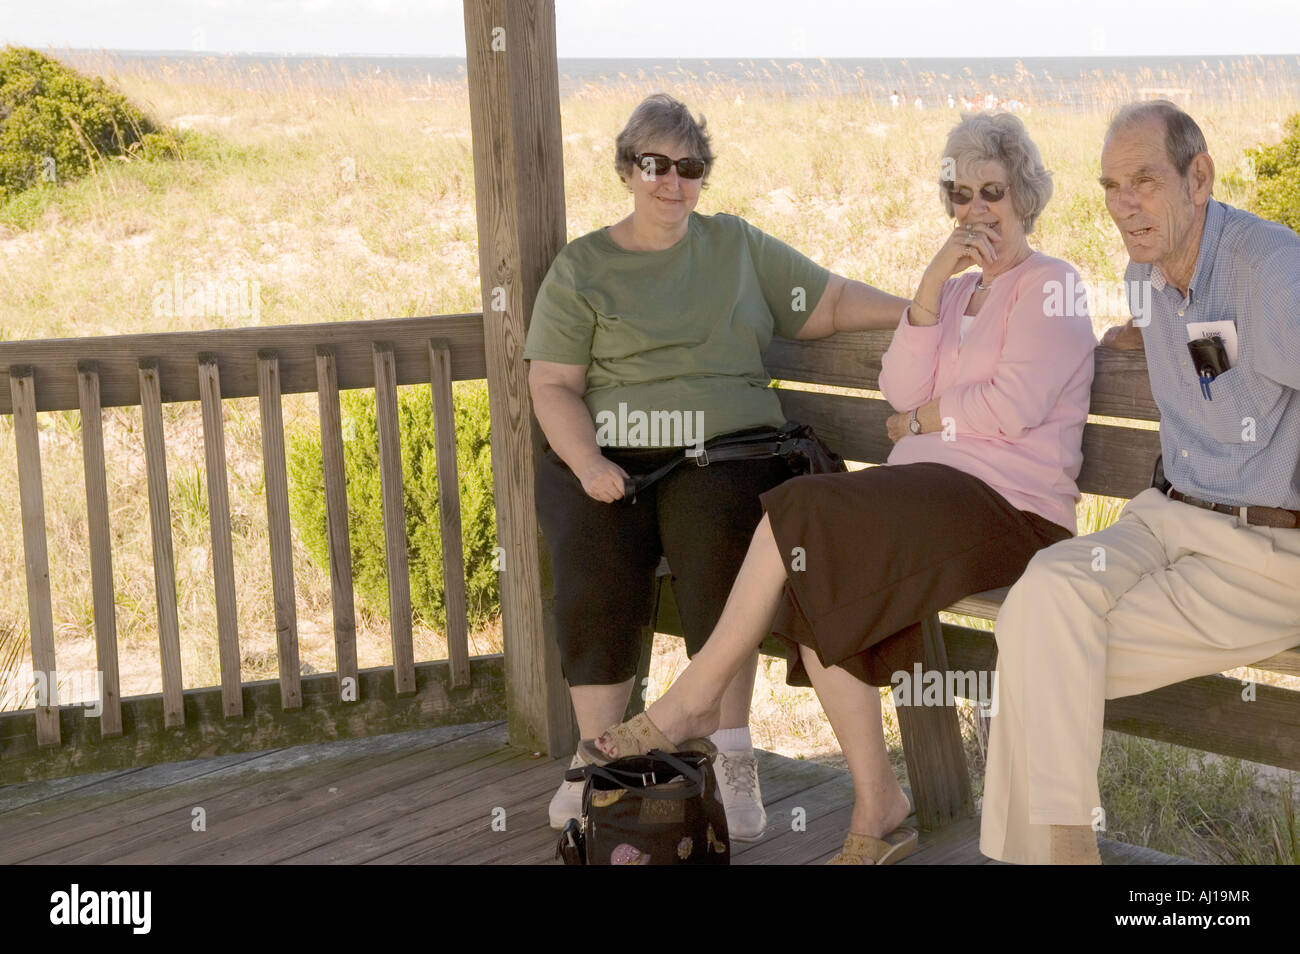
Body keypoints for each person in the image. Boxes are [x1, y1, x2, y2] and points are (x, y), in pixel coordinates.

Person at [583, 112, 1098, 864]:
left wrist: (922, 418)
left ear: (1026, 194)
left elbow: (1010, 408)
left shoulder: (1051, 285)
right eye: (960, 196)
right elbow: (896, 383)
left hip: (1010, 515)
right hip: (931, 498)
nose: (976, 211)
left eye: (993, 191)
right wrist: (928, 288)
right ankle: (877, 801)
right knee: (808, 564)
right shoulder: (956, 297)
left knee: (802, 520)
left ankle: (695, 698)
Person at [525, 93, 909, 840]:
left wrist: (924, 305)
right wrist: (587, 460)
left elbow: (826, 303)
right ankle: (599, 761)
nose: (673, 181)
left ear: (704, 176)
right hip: (614, 452)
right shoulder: (583, 267)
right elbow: (553, 385)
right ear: (628, 169)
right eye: (655, 164)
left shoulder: (734, 245)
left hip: (725, 448)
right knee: (592, 557)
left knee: (719, 541)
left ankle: (729, 755)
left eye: (689, 167)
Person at [979, 100, 1300, 866]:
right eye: (1112, 186)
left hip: (1262, 551)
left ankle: (1058, 855)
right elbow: (1209, 356)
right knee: (1046, 590)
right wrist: (1136, 336)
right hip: (1165, 519)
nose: (1126, 205)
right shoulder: (1146, 275)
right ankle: (1068, 852)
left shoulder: (1271, 270)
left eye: (1145, 181)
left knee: (1034, 645)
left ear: (1200, 178)